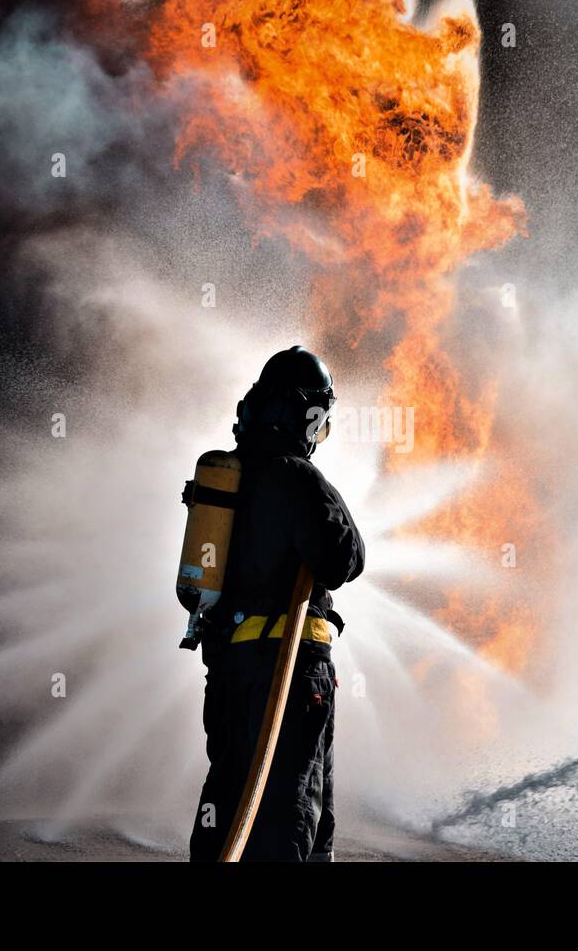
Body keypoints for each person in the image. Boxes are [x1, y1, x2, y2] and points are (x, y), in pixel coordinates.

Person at [189, 346, 365, 861]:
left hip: (229, 676)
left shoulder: (230, 477)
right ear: (308, 415)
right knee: (289, 813)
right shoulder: (295, 475)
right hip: (288, 679)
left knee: (227, 800)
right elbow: (343, 559)